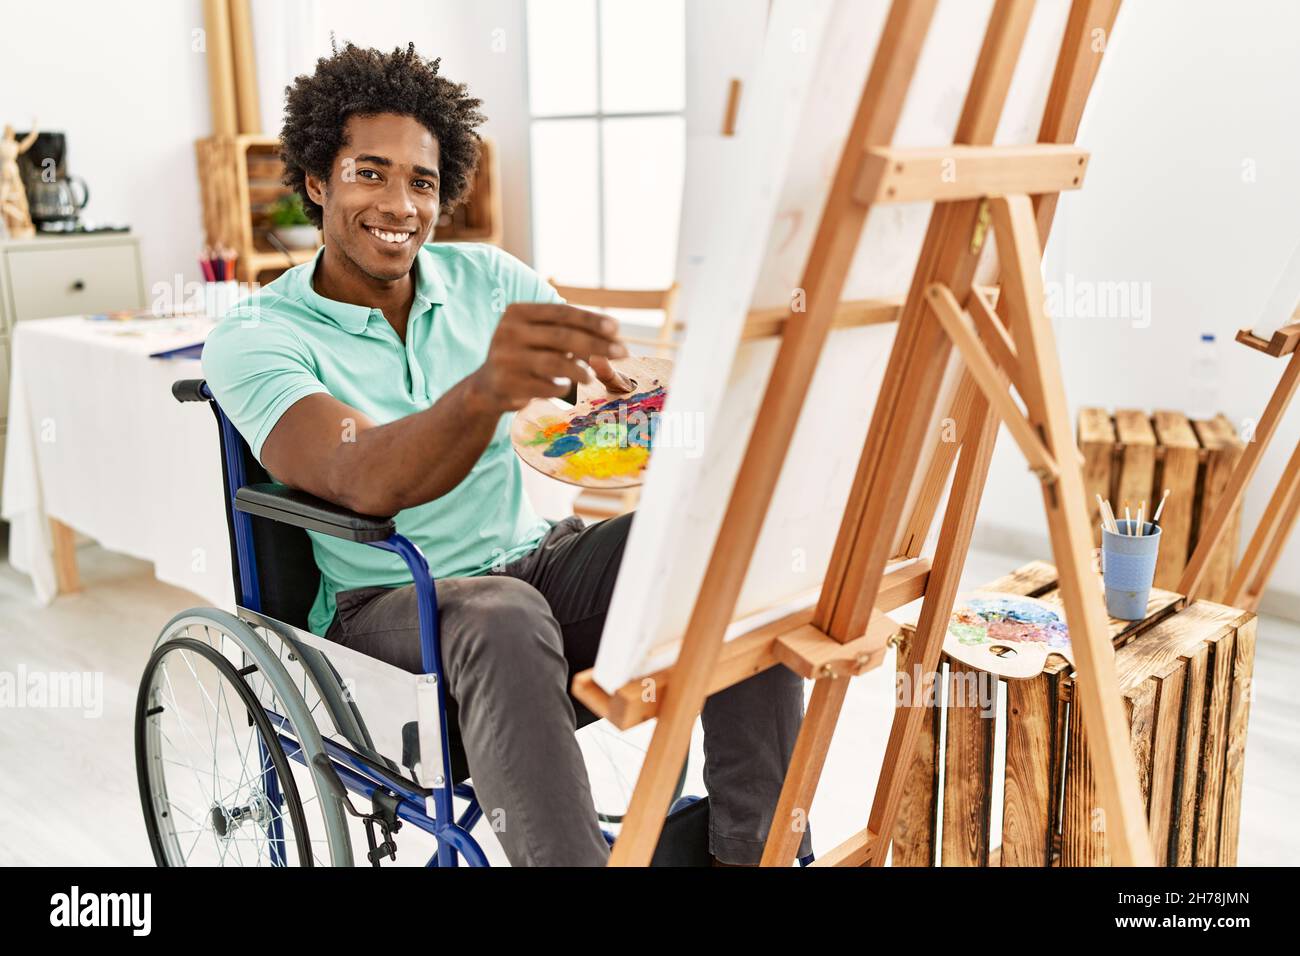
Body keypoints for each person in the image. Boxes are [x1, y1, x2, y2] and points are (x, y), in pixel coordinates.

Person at [202, 41, 810, 866]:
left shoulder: (486, 278)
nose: (400, 204)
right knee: (500, 611)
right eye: (370, 173)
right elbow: (361, 476)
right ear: (317, 180)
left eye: (422, 182)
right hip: (390, 604)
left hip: (531, 563)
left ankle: (754, 851)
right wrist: (486, 388)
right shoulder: (256, 334)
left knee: (719, 538)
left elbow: (609, 395)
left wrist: (685, 408)